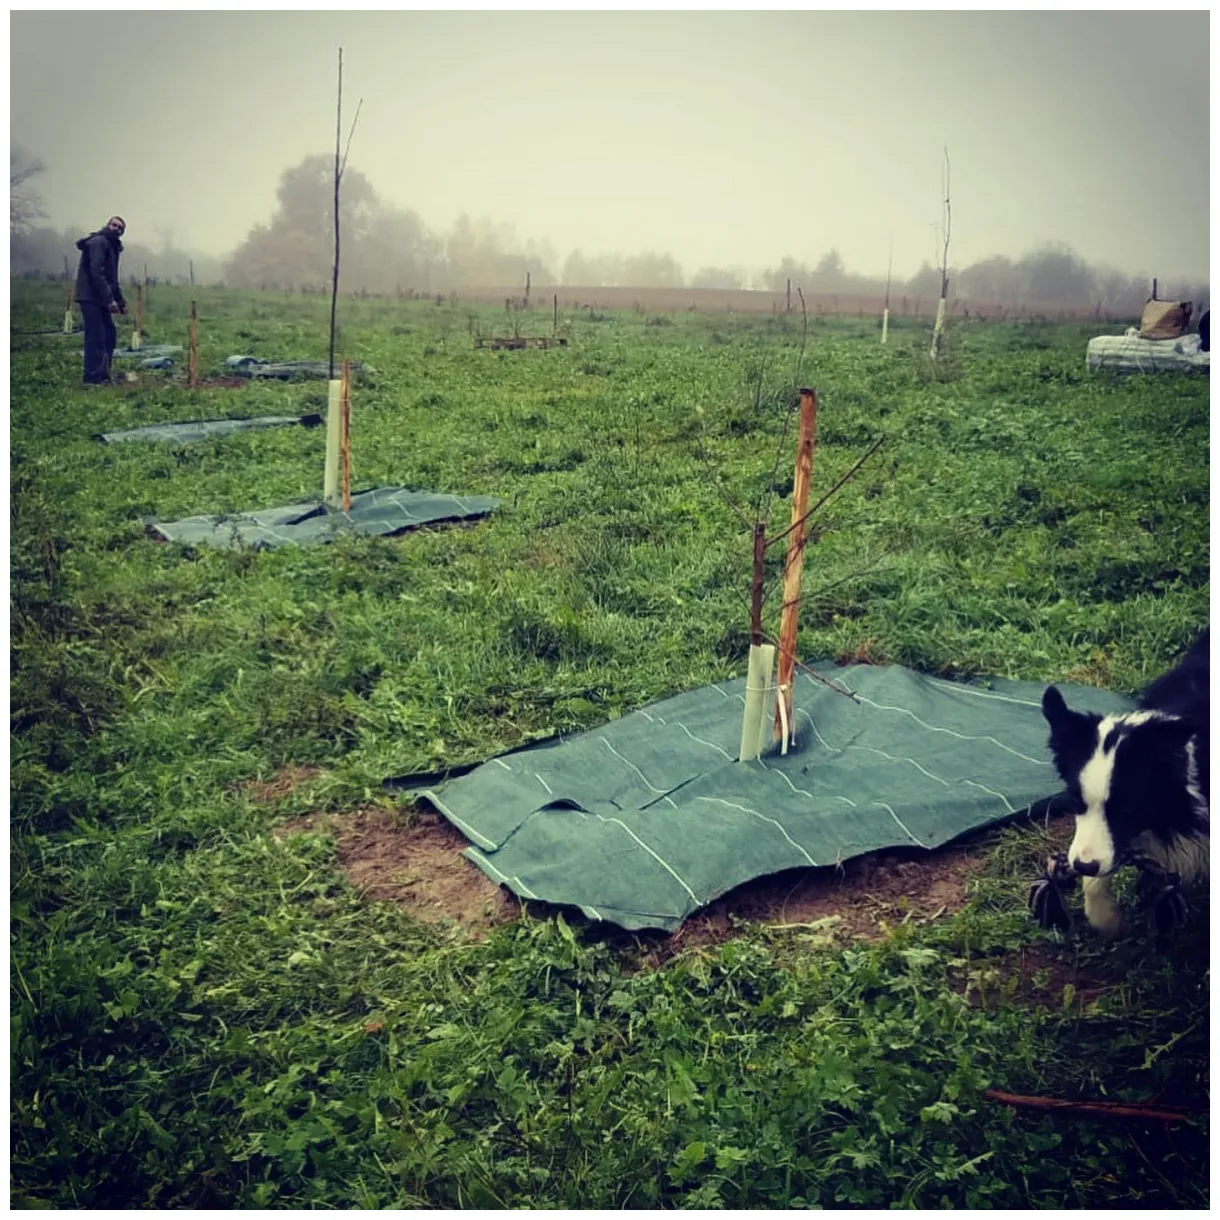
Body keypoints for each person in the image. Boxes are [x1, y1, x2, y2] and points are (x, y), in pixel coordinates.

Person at [74, 216, 127, 384]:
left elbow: (112, 278)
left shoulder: (112, 246)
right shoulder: (99, 242)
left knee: (109, 333)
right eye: (114, 225)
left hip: (100, 297)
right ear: (107, 225)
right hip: (90, 295)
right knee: (95, 335)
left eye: (120, 227)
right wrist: (109, 299)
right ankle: (92, 377)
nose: (116, 228)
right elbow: (96, 273)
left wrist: (120, 302)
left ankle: (103, 372)